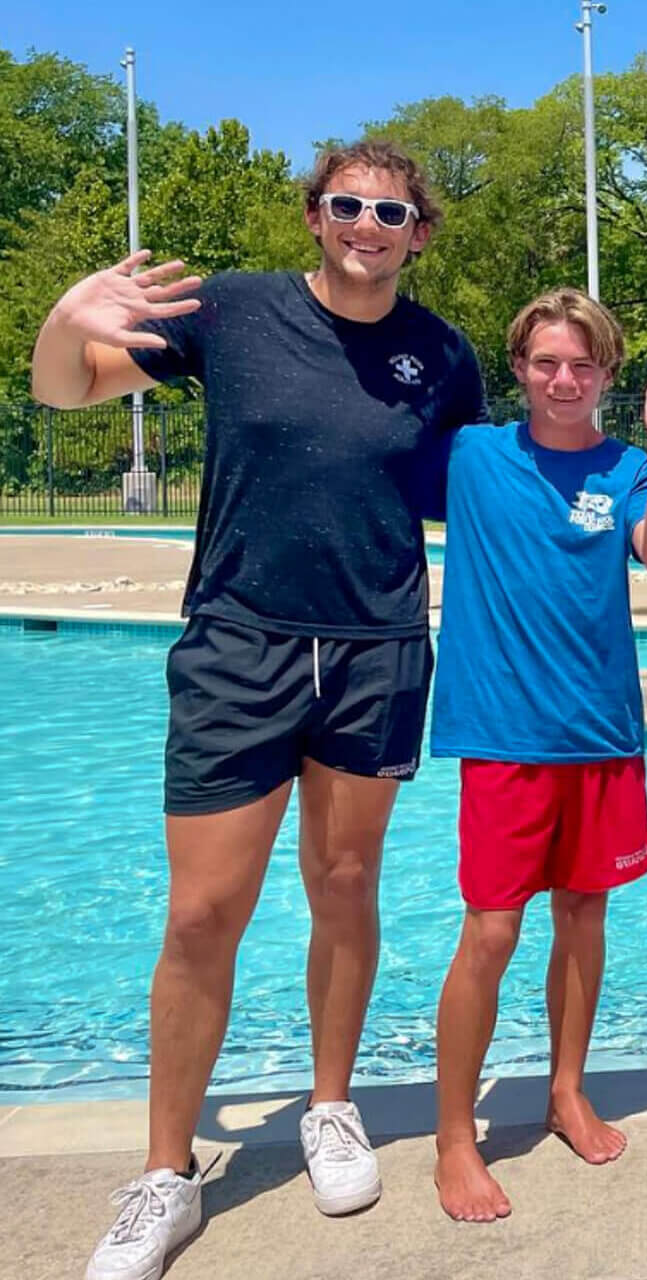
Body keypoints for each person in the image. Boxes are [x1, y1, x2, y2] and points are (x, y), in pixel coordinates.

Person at [32, 141, 485, 1279]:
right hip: (241, 643)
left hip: (378, 649)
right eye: (346, 204)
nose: (366, 223)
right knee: (203, 914)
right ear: (315, 215)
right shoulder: (230, 314)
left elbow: (479, 490)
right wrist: (63, 313)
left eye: (390, 210)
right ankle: (163, 1170)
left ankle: (328, 1105)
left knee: (344, 888)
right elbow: (67, 383)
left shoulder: (442, 356)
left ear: (419, 231)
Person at [430, 289, 647, 1219]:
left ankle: (565, 1090)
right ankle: (453, 1138)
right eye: (547, 363)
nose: (565, 380)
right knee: (493, 931)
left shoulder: (630, 465)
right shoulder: (471, 456)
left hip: (599, 728)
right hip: (506, 734)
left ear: (606, 373)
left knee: (585, 916)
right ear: (518, 367)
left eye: (583, 365)